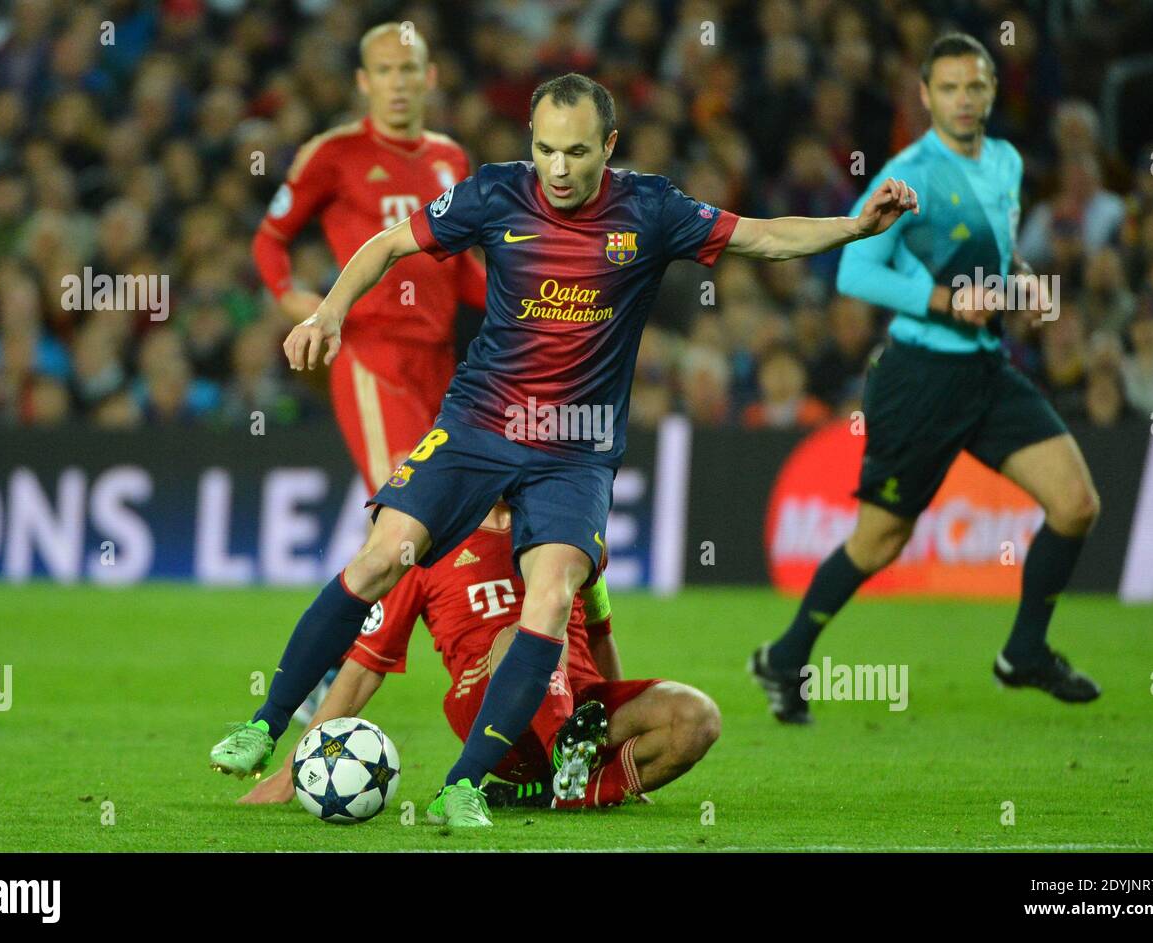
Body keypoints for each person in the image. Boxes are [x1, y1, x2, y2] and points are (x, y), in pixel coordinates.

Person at [212, 71, 917, 828]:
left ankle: (466, 786)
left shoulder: (651, 208)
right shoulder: (493, 193)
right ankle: (266, 719)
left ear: (608, 146)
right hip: (480, 421)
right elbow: (388, 244)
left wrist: (852, 226)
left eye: (577, 152)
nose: (558, 168)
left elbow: (762, 235)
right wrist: (330, 312)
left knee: (548, 596)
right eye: (545, 149)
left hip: (574, 451)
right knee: (382, 555)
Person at [750, 33, 1101, 724]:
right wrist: (947, 301)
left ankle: (1024, 650)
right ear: (925, 95)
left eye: (975, 87)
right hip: (919, 376)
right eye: (949, 88)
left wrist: (1023, 289)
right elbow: (856, 269)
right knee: (881, 538)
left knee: (1076, 503)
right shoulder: (908, 172)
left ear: (992, 90)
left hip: (987, 369)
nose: (964, 100)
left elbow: (994, 264)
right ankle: (786, 655)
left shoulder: (1005, 160)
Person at [239, 502, 720, 812]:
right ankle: (566, 753)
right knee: (527, 635)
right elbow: (366, 667)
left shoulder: (571, 529)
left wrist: (616, 739)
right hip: (491, 712)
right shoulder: (423, 546)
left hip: (580, 701)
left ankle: (573, 788)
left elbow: (599, 634)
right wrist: (292, 769)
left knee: (697, 719)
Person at [251, 21, 487, 492]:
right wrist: (294, 299)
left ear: (430, 77)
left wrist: (528, 303)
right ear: (364, 81)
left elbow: (458, 266)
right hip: (371, 354)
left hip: (440, 360)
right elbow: (269, 240)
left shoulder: (451, 159)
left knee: (434, 512)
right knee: (407, 503)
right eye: (384, 71)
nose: (397, 82)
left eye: (407, 69)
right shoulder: (333, 155)